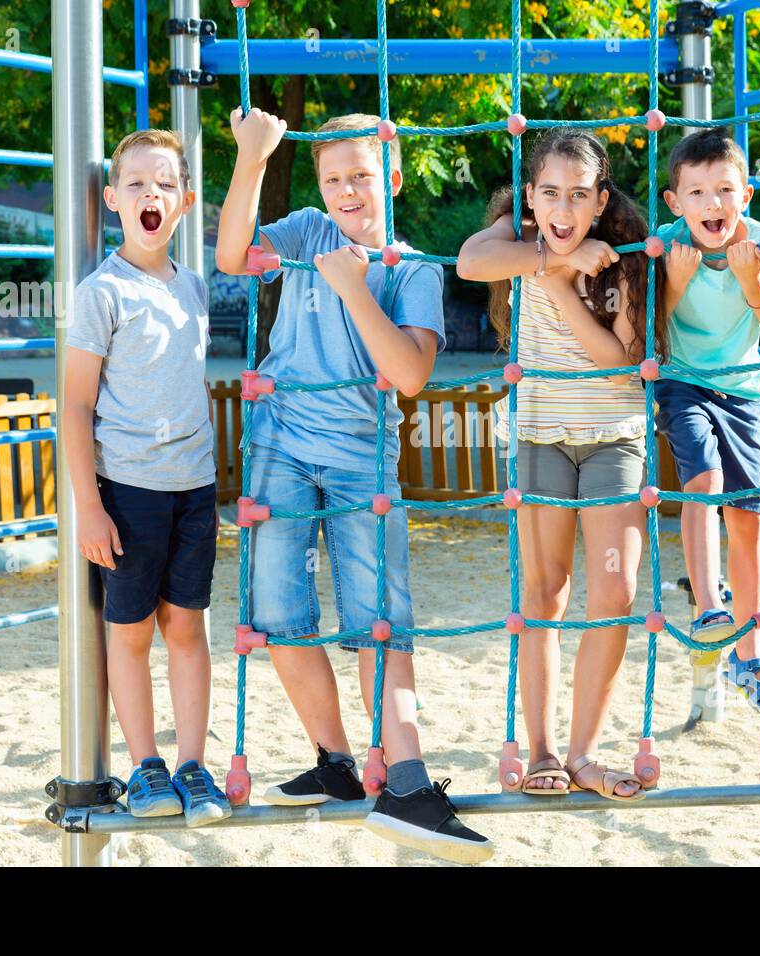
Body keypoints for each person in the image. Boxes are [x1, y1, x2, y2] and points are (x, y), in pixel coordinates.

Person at [216, 108, 493, 863]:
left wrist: (353, 289)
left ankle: (404, 779)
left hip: (359, 459)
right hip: (278, 442)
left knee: (378, 619)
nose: (347, 191)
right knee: (276, 612)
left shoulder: (414, 269)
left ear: (393, 179)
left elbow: (408, 374)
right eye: (333, 178)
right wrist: (252, 160)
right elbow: (233, 253)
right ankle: (337, 761)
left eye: (362, 176)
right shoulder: (307, 232)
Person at [457, 129, 655, 801]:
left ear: (600, 201)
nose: (564, 210)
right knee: (543, 594)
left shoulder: (625, 256)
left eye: (578, 196)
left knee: (614, 594)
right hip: (540, 436)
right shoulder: (519, 250)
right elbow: (467, 261)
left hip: (614, 436)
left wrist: (566, 280)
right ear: (531, 201)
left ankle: (586, 751)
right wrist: (544, 259)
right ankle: (542, 749)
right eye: (550, 195)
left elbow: (618, 358)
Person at [62, 128, 231, 827]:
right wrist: (88, 508)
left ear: (185, 201)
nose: (150, 194)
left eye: (164, 183)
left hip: (192, 488)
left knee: (187, 627)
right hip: (126, 492)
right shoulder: (102, 292)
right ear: (112, 200)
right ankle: (146, 765)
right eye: (135, 184)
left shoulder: (193, 287)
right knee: (129, 632)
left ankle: (193, 765)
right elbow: (73, 404)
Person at [656, 126, 760, 717]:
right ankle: (707, 608)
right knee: (703, 484)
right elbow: (650, 330)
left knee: (747, 521)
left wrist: (752, 282)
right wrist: (672, 281)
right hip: (683, 380)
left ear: (746, 194)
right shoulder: (665, 245)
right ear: (676, 202)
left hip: (743, 391)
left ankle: (750, 653)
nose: (711, 204)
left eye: (725, 190)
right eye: (696, 192)